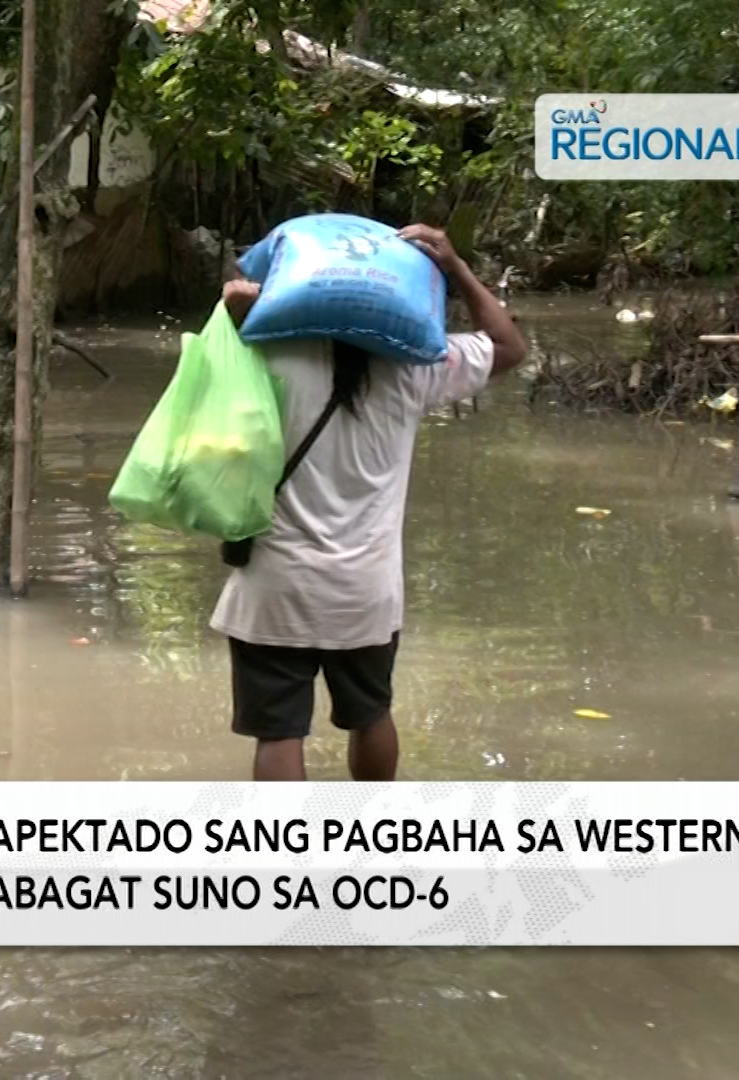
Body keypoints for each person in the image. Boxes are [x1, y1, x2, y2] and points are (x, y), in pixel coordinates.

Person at [214, 223, 528, 782]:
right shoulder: (414, 369)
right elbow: (509, 347)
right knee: (371, 714)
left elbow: (207, 393)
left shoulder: (264, 350)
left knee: (279, 732)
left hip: (275, 583)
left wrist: (237, 309)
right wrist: (455, 266)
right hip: (365, 591)